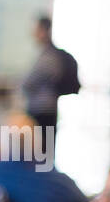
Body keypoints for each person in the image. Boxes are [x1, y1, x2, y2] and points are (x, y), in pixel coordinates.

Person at [21, 15, 80, 160]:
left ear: (43, 30)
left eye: (36, 29)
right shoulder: (45, 53)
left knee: (42, 154)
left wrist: (23, 85)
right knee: (40, 153)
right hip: (41, 109)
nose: (33, 33)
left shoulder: (49, 56)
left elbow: (31, 81)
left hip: (43, 110)